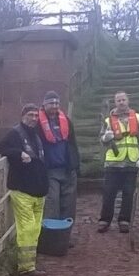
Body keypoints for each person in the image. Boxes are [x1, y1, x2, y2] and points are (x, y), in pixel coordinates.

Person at [0, 103, 50, 276]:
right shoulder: (15, 133)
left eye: (35, 115)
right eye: (30, 115)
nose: (33, 119)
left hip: (39, 190)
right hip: (22, 189)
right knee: (27, 228)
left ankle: (30, 262)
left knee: (35, 228)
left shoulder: (37, 134)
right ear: (22, 116)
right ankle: (25, 268)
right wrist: (18, 153)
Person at [97, 91, 139, 233]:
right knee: (109, 193)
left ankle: (124, 220)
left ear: (128, 101)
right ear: (115, 102)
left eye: (123, 100)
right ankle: (105, 220)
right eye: (118, 100)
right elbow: (101, 140)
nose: (121, 102)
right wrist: (106, 138)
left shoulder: (138, 118)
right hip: (113, 163)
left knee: (128, 193)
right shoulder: (107, 121)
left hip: (132, 162)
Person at [37, 91, 80, 227]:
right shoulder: (37, 123)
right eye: (51, 103)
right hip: (50, 169)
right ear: (44, 105)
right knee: (52, 203)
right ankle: (52, 234)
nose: (54, 106)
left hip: (67, 168)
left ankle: (66, 234)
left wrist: (76, 164)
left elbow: (73, 143)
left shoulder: (66, 120)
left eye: (57, 103)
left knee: (69, 204)